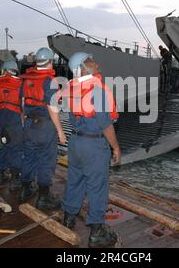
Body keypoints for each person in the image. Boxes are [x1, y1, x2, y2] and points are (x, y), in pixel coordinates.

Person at [62, 52, 121, 248]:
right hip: (94, 145)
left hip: (76, 142)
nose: (95, 63)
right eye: (90, 61)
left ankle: (69, 218)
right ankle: (97, 231)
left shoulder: (71, 87)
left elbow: (72, 118)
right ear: (84, 68)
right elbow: (106, 125)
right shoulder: (99, 90)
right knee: (97, 187)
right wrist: (116, 147)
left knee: (75, 181)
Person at [20, 47, 66, 208]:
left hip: (29, 125)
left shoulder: (27, 79)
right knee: (46, 160)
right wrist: (60, 131)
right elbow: (52, 108)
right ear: (50, 62)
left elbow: (22, 103)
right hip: (45, 127)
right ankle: (43, 197)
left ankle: (25, 189)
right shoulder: (50, 82)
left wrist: (24, 123)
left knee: (29, 157)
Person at [0, 60, 24, 189]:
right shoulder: (20, 85)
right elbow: (23, 108)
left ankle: (1, 176)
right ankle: (15, 181)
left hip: (0, 124)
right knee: (15, 151)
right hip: (14, 125)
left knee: (0, 149)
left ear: (3, 70)